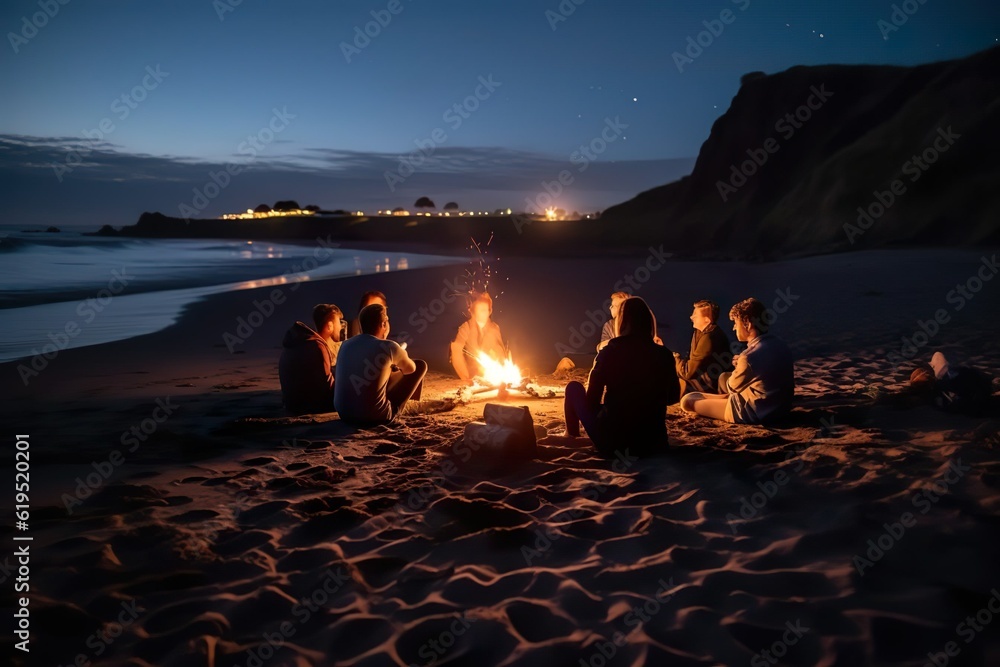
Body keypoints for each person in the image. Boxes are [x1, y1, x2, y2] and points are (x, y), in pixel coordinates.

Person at [564, 296, 679, 456]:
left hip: (614, 443)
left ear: (622, 322)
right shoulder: (664, 354)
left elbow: (591, 401)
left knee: (573, 388)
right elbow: (673, 397)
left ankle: (572, 437)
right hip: (654, 443)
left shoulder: (610, 352)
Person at [680, 297, 794, 424]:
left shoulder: (748, 356)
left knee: (687, 401)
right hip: (780, 409)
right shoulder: (780, 345)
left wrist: (740, 364)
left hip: (753, 412)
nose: (734, 328)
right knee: (704, 391)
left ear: (748, 325)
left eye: (736, 323)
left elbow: (731, 386)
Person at [335, 303, 427, 425]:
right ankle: (397, 412)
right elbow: (411, 369)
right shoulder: (389, 346)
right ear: (383, 324)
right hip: (375, 418)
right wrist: (400, 356)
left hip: (344, 415)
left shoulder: (345, 344)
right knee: (420, 365)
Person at [278, 303, 343, 415]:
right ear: (329, 325)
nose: (341, 327)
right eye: (339, 323)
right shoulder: (317, 347)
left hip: (292, 405)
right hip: (310, 408)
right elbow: (328, 390)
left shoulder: (299, 342)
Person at [674, 300, 733, 395]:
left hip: (711, 386)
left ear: (707, 320)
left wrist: (675, 358)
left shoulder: (710, 338)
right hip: (703, 380)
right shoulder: (699, 333)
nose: (691, 317)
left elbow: (687, 373)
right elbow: (689, 362)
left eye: (695, 315)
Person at [450, 292, 507, 383]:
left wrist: (502, 372)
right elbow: (456, 350)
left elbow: (500, 351)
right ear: (474, 312)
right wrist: (465, 377)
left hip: (489, 373)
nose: (484, 313)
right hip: (470, 373)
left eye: (486, 309)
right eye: (481, 310)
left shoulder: (494, 328)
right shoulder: (466, 327)